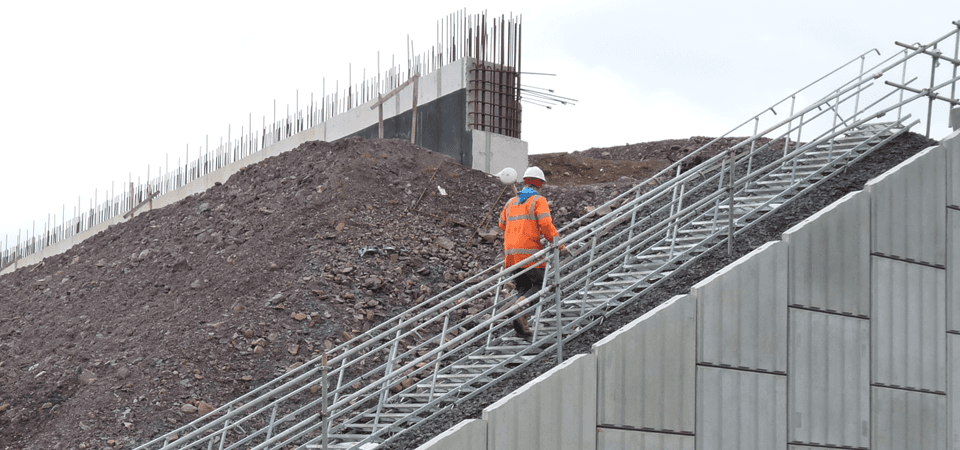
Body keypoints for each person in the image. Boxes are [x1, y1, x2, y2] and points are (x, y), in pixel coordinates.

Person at [498, 166, 565, 338]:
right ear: (539, 184)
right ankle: (519, 307)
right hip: (529, 254)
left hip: (512, 257)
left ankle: (523, 327)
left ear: (525, 182)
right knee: (538, 286)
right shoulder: (538, 201)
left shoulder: (511, 202)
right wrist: (559, 245)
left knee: (524, 289)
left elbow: (502, 225)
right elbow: (546, 225)